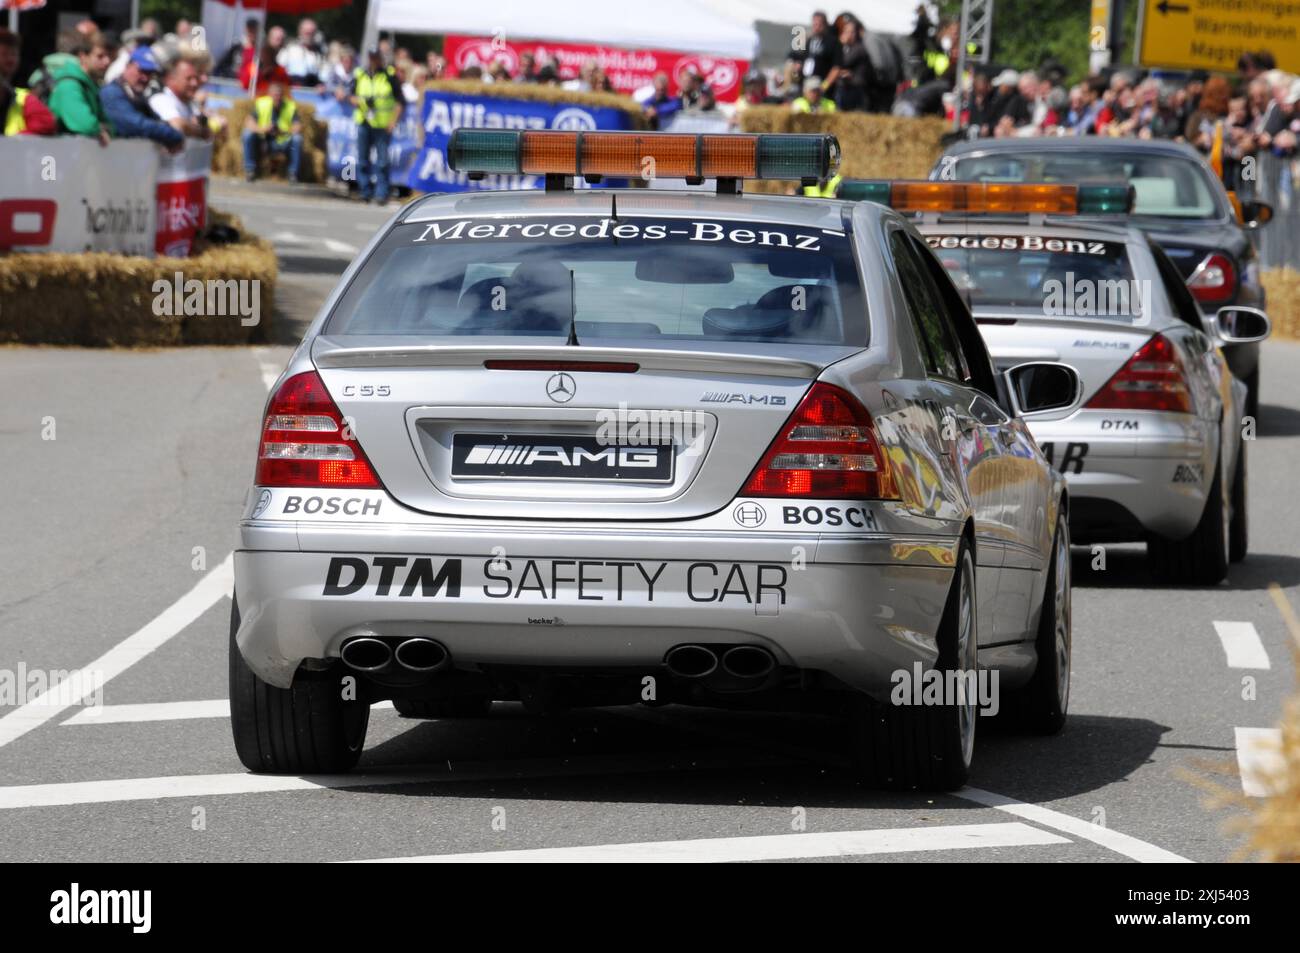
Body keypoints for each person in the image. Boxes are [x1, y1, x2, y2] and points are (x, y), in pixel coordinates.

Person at [99, 45, 183, 151]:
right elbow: (135, 125)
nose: (145, 78)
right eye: (141, 71)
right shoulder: (112, 92)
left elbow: (155, 120)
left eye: (149, 73)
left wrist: (168, 130)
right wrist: (173, 135)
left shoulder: (137, 96)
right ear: (128, 66)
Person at [350, 46, 403, 204]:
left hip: (382, 124)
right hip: (364, 122)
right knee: (362, 160)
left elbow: (400, 102)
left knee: (382, 162)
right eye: (371, 57)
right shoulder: (360, 74)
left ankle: (381, 193)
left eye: (376, 57)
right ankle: (365, 191)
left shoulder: (390, 75)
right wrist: (362, 102)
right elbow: (351, 96)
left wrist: (393, 121)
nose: (373, 60)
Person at [48, 31, 112, 145]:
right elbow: (84, 124)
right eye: (100, 56)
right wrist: (99, 128)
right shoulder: (69, 84)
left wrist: (104, 128)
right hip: (56, 157)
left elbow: (109, 124)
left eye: (108, 56)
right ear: (83, 56)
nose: (107, 61)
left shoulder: (91, 84)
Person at [242, 80, 302, 182]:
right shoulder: (261, 104)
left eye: (279, 95)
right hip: (263, 141)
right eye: (274, 95)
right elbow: (249, 122)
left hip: (282, 141)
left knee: (297, 139)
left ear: (283, 95)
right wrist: (263, 129)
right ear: (269, 94)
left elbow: (298, 127)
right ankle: (250, 170)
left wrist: (283, 131)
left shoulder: (290, 106)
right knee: (247, 134)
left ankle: (293, 173)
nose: (277, 98)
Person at [150, 56, 210, 140]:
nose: (194, 83)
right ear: (171, 79)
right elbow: (176, 125)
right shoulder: (161, 99)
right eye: (188, 79)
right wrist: (200, 132)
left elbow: (203, 124)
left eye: (196, 78)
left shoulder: (190, 103)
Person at [825, 17, 871, 111]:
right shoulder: (846, 48)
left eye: (852, 32)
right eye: (846, 31)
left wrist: (839, 44)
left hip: (855, 89)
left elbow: (842, 62)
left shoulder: (859, 49)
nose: (848, 35)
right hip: (843, 88)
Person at [279, 18, 323, 87]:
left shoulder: (318, 54)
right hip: (290, 88)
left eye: (312, 33)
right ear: (300, 31)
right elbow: (279, 71)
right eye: (306, 33)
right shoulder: (289, 49)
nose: (309, 36)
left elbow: (320, 76)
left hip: (309, 90)